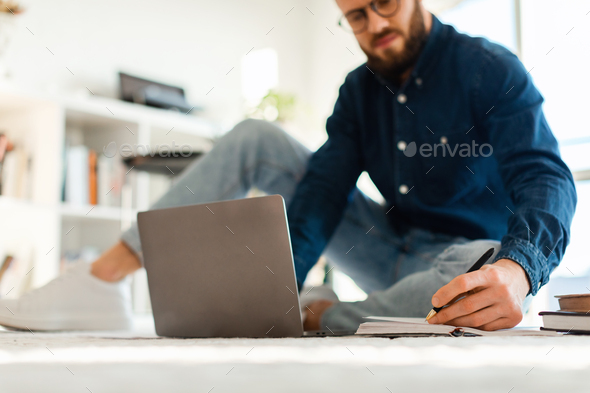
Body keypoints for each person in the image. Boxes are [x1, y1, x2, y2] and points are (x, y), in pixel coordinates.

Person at [0, 0, 576, 332]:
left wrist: (519, 270)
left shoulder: (490, 69)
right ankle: (99, 282)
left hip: (455, 258)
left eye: (385, 4)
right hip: (383, 245)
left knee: (479, 260)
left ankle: (327, 318)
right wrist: (280, 289)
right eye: (355, 16)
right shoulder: (358, 91)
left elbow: (545, 176)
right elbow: (322, 193)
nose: (374, 24)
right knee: (257, 136)